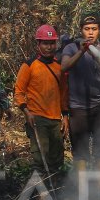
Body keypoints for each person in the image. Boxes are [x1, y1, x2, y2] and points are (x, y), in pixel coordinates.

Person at [59, 13, 100, 174]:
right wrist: (82, 51)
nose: (90, 32)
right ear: (81, 30)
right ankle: (82, 189)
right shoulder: (71, 48)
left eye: (94, 29)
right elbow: (64, 67)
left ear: (99, 31)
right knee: (81, 153)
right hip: (78, 109)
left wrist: (94, 53)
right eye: (87, 29)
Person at [14, 25, 68, 186]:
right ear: (38, 44)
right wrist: (26, 111)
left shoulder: (59, 66)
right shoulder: (29, 65)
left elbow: (64, 93)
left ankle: (56, 191)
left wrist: (65, 116)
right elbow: (18, 91)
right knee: (40, 159)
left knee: (57, 159)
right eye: (45, 43)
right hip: (37, 119)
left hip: (55, 120)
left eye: (52, 43)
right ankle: (40, 195)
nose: (49, 47)